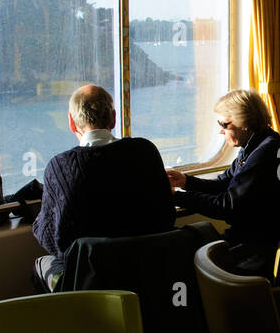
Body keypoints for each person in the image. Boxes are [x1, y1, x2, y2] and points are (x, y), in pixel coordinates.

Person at [31, 84, 175, 291]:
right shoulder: (145, 151)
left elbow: (54, 241)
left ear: (71, 123)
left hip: (93, 278)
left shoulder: (59, 166)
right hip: (148, 268)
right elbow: (167, 216)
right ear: (114, 118)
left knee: (40, 264)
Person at [168, 88, 280, 277]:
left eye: (223, 124)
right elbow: (223, 184)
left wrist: (177, 197)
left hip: (266, 243)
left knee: (191, 256)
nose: (220, 130)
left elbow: (226, 206)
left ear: (244, 122)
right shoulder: (254, 145)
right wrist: (185, 181)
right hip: (255, 233)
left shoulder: (265, 153)